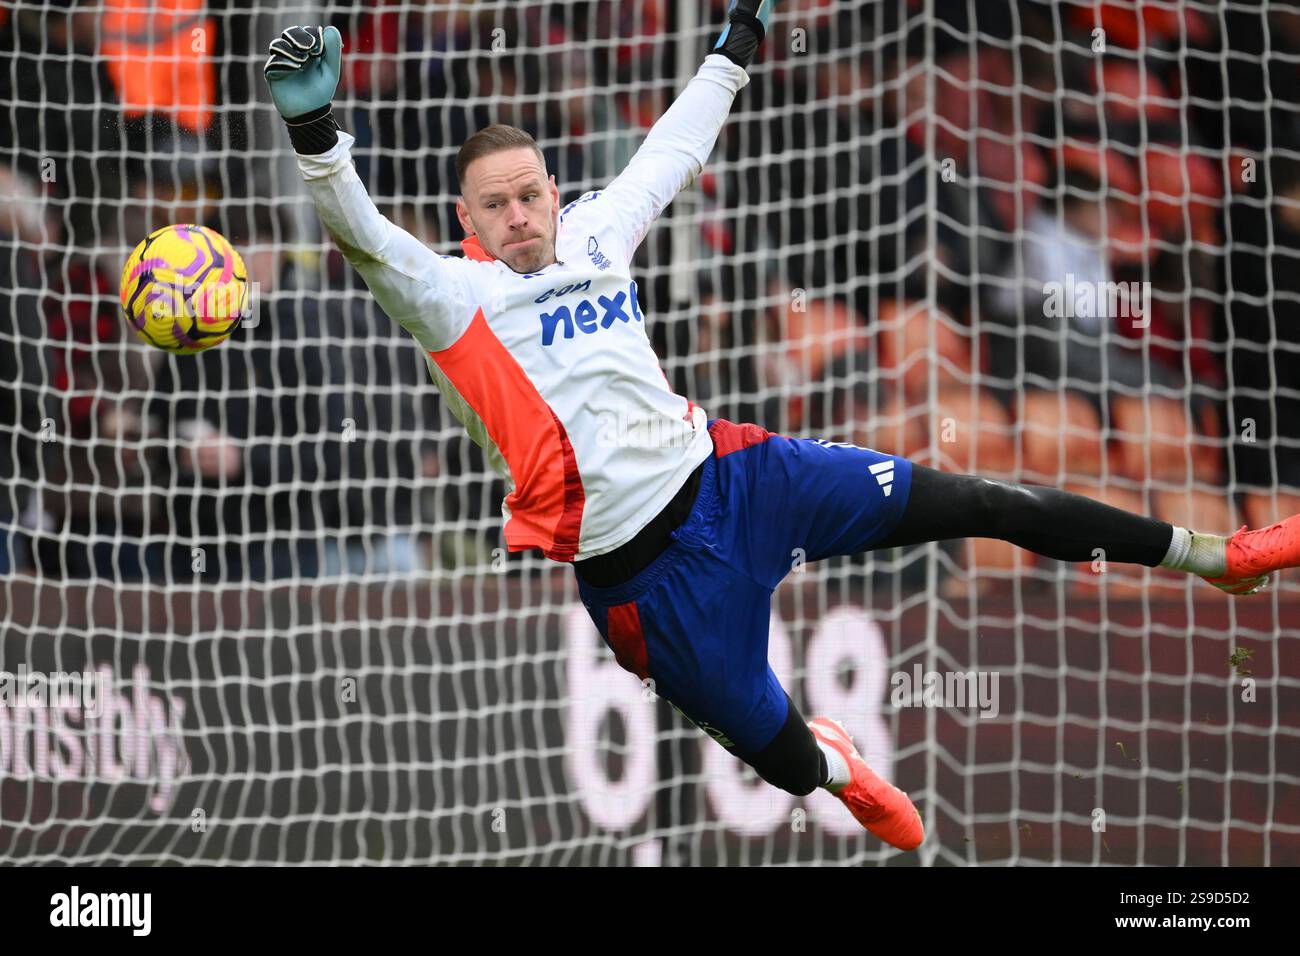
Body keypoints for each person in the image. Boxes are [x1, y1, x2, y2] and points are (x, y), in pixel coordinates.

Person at [264, 6, 1300, 853]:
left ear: (550, 189)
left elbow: (672, 147)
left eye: (531, 193)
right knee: (788, 762)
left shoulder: (591, 230)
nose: (523, 216)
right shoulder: (450, 297)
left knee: (977, 497)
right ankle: (840, 766)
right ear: (470, 222)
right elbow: (358, 232)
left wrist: (735, 43)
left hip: (737, 474)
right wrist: (316, 135)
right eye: (498, 206)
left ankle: (1213, 554)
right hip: (646, 582)